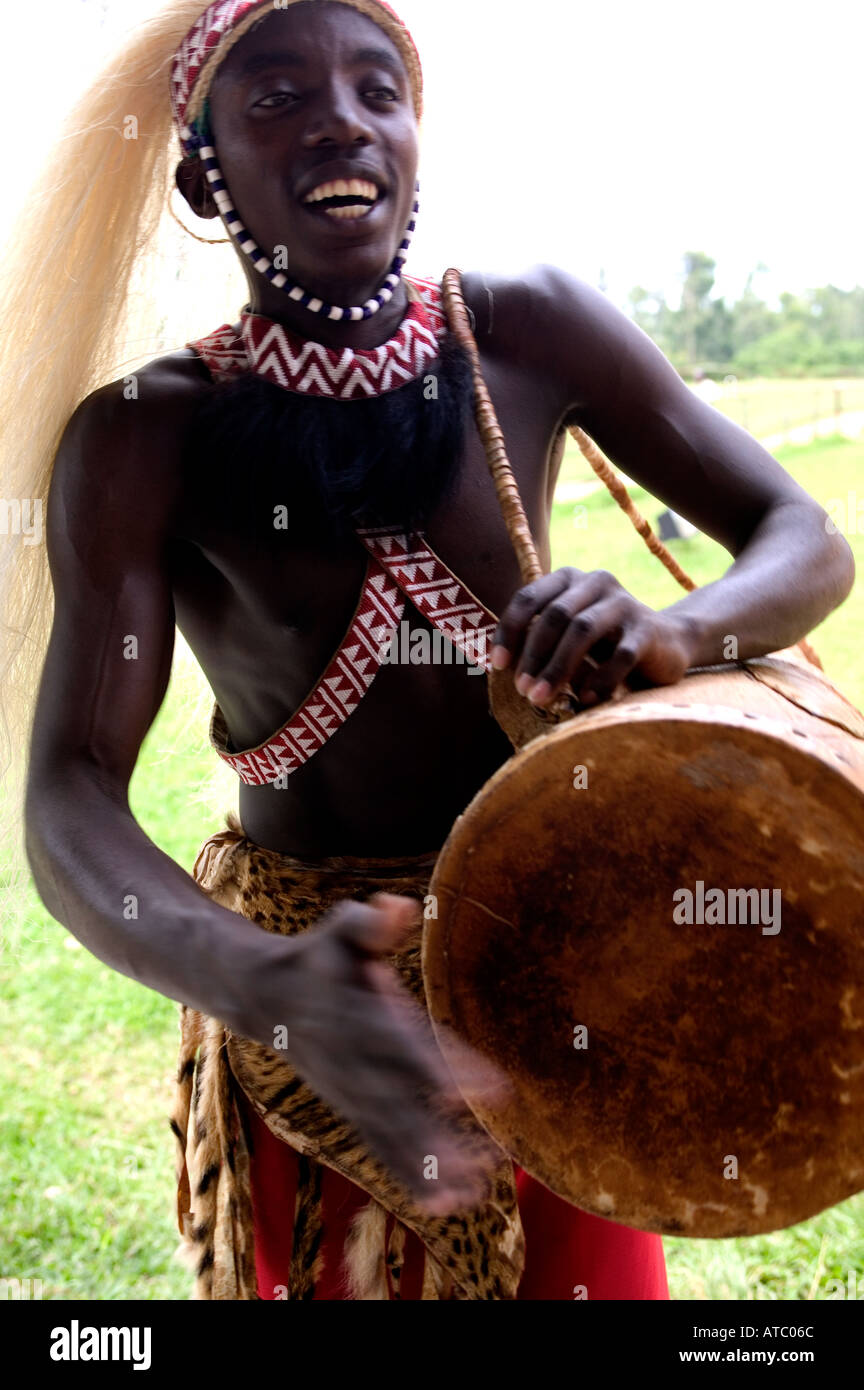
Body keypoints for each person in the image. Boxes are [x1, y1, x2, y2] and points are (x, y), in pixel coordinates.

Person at [7, 0, 854, 1300]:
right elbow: (70, 791)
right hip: (316, 1007)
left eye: (375, 86)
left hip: (566, 972)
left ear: (412, 133)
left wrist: (673, 631)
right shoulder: (140, 439)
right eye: (278, 95)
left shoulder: (531, 330)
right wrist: (259, 976)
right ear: (200, 172)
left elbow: (801, 534)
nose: (342, 116)